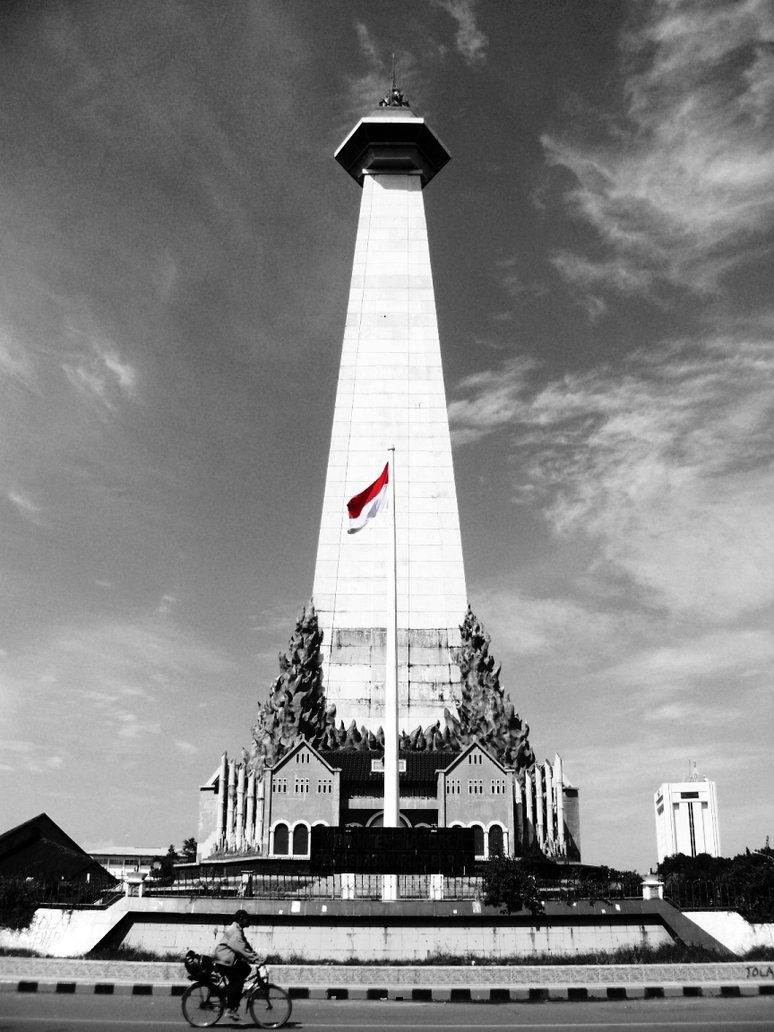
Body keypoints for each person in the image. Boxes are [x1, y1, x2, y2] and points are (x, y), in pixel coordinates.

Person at [214, 909, 259, 1021]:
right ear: (241, 919)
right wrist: (256, 959)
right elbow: (241, 949)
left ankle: (231, 994)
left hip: (228, 959)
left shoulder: (238, 929)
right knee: (238, 982)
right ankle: (230, 1009)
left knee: (246, 969)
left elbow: (246, 945)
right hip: (224, 960)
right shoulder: (235, 931)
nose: (248, 921)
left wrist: (256, 956)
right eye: (246, 919)